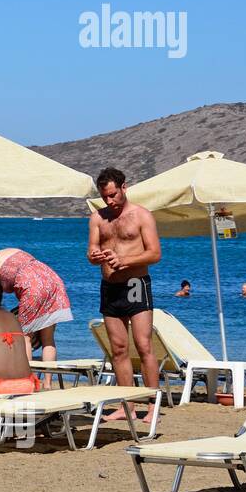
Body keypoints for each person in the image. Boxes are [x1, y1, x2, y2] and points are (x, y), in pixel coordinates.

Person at [88, 167, 162, 422]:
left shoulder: (141, 215)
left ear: (123, 188)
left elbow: (154, 254)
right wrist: (95, 256)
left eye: (112, 195)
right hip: (109, 287)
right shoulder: (97, 218)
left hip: (135, 284)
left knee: (143, 345)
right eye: (105, 196)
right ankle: (127, 404)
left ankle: (153, 404)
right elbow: (91, 252)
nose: (109, 201)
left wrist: (125, 260)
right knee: (118, 349)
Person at [0, 241, 73, 362]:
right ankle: (47, 381)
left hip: (33, 286)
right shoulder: (8, 251)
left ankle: (28, 378)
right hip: (52, 280)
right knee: (48, 339)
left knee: (25, 338)